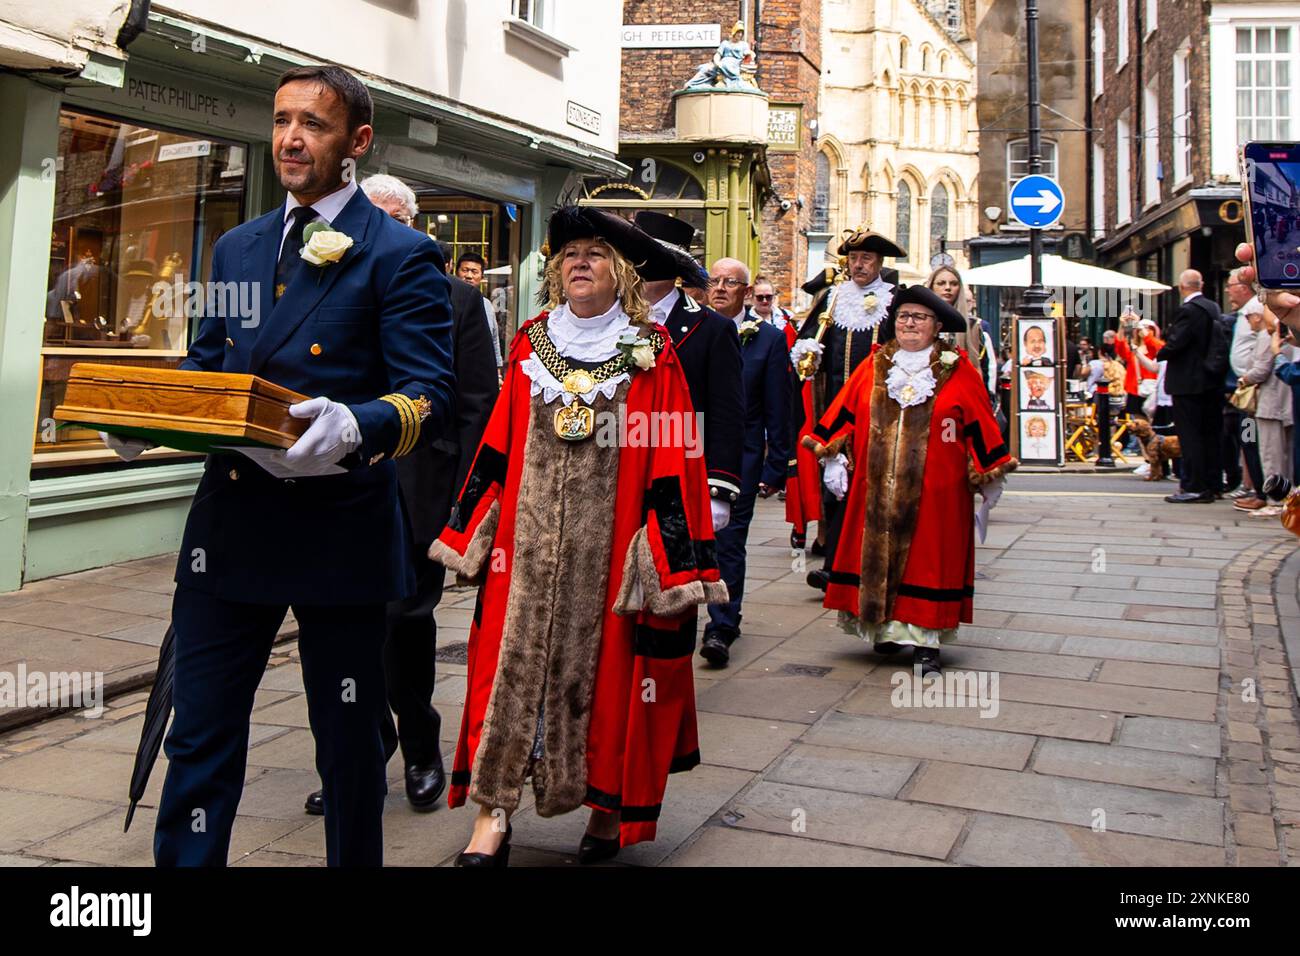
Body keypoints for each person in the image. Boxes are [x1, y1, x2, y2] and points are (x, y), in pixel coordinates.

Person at [101, 65, 457, 867]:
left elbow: (430, 396)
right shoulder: (238, 246)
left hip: (342, 532)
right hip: (233, 526)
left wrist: (355, 424)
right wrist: (144, 416)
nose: (292, 138)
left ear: (357, 142)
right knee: (200, 733)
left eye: (315, 124)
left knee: (348, 743)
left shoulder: (400, 255)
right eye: (283, 120)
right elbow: (208, 370)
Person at [429, 206, 725, 867]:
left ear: (619, 271)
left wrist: (665, 557)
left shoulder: (653, 354)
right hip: (522, 556)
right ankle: (492, 814)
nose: (579, 262)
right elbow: (498, 447)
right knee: (503, 676)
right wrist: (474, 531)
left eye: (594, 252)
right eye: (568, 254)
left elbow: (676, 460)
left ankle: (605, 805)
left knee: (611, 682)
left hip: (610, 552)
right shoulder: (532, 343)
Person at [298, 175, 497, 818]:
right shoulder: (324, 285)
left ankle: (417, 745)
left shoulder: (460, 302)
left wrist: (465, 510)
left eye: (386, 219)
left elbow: (473, 408)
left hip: (418, 492)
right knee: (336, 636)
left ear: (410, 226)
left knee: (401, 626)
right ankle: (354, 755)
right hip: (336, 488)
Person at [803, 286, 1015, 675]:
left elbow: (981, 423)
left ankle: (925, 643)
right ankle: (882, 626)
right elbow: (843, 411)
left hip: (938, 493)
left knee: (928, 561)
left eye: (920, 317)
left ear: (937, 327)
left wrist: (989, 473)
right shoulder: (875, 365)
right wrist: (831, 455)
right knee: (875, 554)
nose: (910, 323)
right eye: (903, 316)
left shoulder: (956, 368)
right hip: (875, 487)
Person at [793, 228, 905, 592]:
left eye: (866, 259)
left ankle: (870, 563)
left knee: (871, 486)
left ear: (879, 264)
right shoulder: (831, 299)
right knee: (836, 484)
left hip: (877, 409)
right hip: (835, 407)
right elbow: (806, 342)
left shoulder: (893, 301)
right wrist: (807, 353)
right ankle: (834, 564)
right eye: (854, 259)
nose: (859, 265)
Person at [701, 257, 791, 667]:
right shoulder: (691, 330)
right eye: (714, 281)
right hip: (689, 449)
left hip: (741, 457)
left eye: (729, 283)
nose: (719, 288)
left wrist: (778, 467)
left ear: (746, 292)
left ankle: (722, 623)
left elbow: (778, 405)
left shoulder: (768, 340)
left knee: (729, 541)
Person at [633, 211, 744, 516]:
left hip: (684, 469)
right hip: (623, 468)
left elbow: (727, 413)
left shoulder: (713, 328)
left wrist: (719, 488)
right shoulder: (612, 318)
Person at [1157, 269, 1226, 503]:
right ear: (1202, 285)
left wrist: (1162, 351)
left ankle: (1195, 486)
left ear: (1182, 287)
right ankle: (1214, 483)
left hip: (1188, 383)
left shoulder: (1188, 310)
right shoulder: (1213, 307)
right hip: (1211, 382)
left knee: (1191, 436)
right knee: (1210, 435)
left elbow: (1177, 343)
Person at [1237, 309, 1297, 516]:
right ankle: (1287, 499)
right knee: (1286, 456)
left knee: (1271, 455)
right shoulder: (1293, 334)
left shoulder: (1268, 337)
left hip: (1270, 403)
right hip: (1288, 402)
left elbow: (1261, 370)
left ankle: (1275, 500)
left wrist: (1243, 380)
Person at [927, 265, 996, 401]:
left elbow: (987, 371)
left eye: (953, 284)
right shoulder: (918, 324)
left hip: (964, 399)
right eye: (941, 283)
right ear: (931, 287)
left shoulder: (974, 327)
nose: (948, 288)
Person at [1221, 268, 1256, 498]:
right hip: (1241, 392)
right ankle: (1248, 485)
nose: (1227, 291)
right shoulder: (1244, 314)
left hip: (1253, 394)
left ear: (1243, 287)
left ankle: (1259, 490)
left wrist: (1247, 379)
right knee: (1244, 440)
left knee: (1251, 440)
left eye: (1230, 286)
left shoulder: (1255, 311)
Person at [455, 251, 504, 378]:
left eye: (474, 272)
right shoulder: (448, 300)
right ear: (456, 272)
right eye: (465, 270)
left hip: (480, 370)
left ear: (482, 276)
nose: (469, 276)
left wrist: (497, 370)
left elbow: (494, 339)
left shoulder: (487, 305)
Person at [1113, 310, 1164, 420]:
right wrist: (1122, 325)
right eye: (1142, 328)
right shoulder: (1133, 349)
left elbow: (1157, 346)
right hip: (1135, 390)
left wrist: (1139, 324)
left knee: (1155, 425)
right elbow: (1120, 347)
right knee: (1138, 427)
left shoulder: (1157, 347)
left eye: (1148, 328)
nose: (1144, 330)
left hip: (1154, 390)